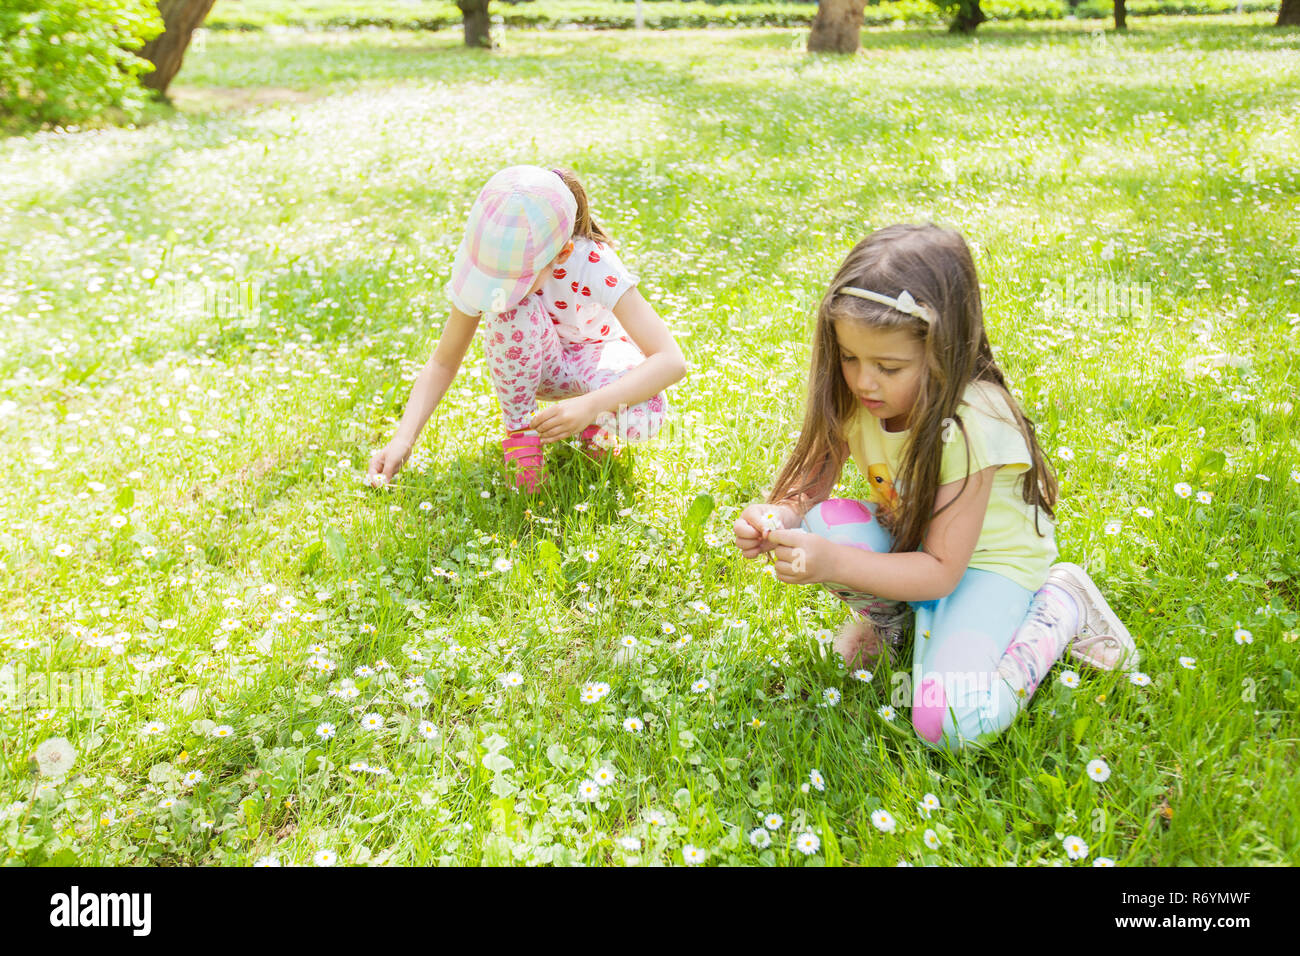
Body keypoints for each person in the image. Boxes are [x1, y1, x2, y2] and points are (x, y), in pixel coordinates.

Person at [733, 224, 1138, 752]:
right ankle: (897, 626)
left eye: (889, 366)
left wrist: (830, 563)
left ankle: (1061, 607)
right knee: (819, 524)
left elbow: (943, 572)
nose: (863, 382)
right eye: (850, 357)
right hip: (916, 548)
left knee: (947, 720)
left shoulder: (972, 423)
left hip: (984, 568)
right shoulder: (858, 394)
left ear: (944, 350)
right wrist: (780, 516)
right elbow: (812, 482)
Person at [367, 165, 687, 492]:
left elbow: (671, 360)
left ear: (561, 255)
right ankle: (522, 439)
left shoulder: (594, 264)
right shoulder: (486, 261)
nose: (500, 287)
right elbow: (443, 362)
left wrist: (592, 406)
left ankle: (592, 427)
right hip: (537, 366)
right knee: (508, 309)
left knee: (643, 415)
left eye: (513, 279)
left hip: (595, 363)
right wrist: (402, 441)